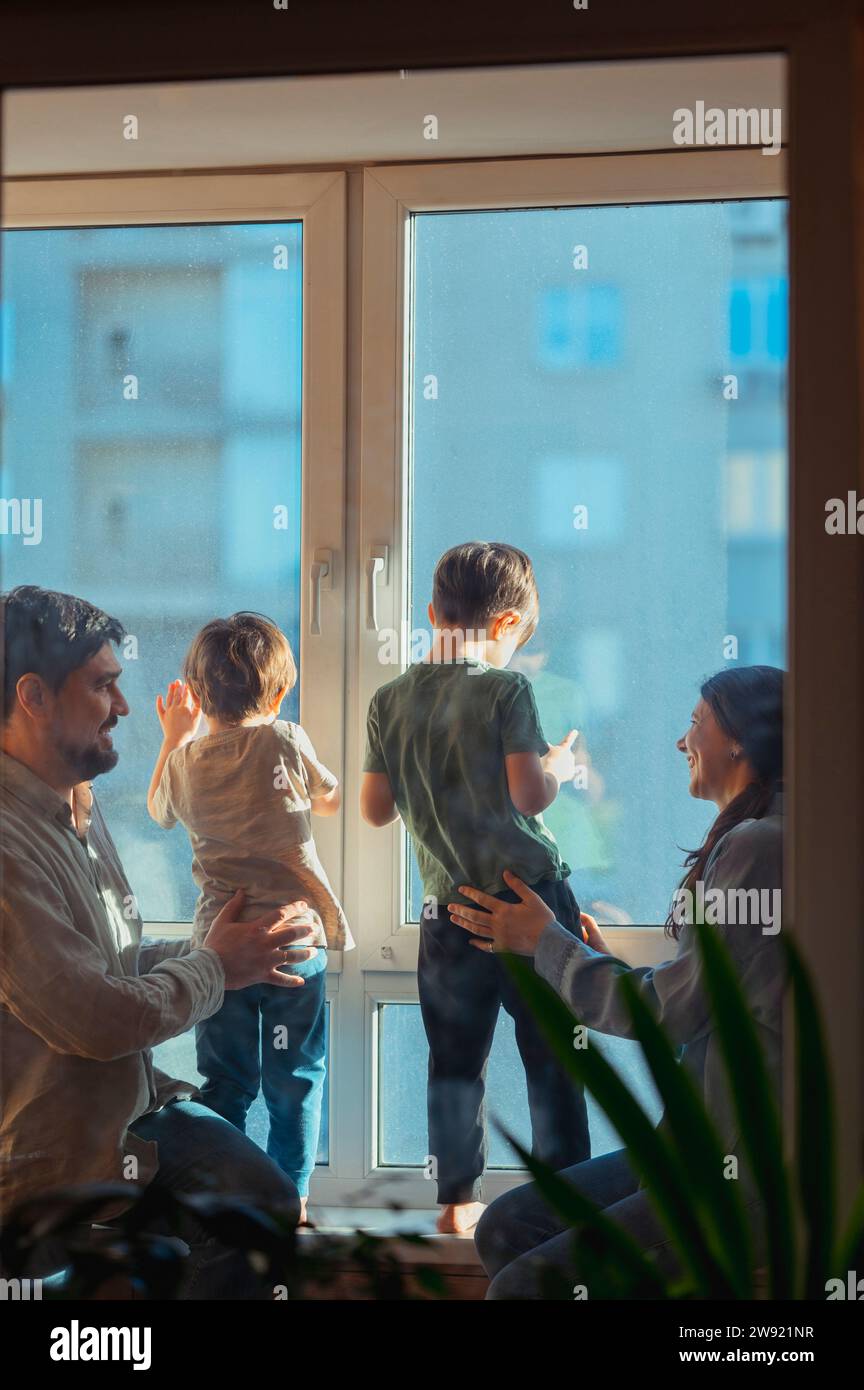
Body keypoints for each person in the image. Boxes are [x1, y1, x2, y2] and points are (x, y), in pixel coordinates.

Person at [0, 586, 316, 1297]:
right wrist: (212, 966)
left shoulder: (74, 803)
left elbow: (107, 965)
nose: (124, 707)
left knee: (259, 1206)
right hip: (49, 1156)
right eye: (104, 686)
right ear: (34, 697)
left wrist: (234, 952)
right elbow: (96, 1018)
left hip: (128, 1111)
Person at [447, 665, 785, 1297]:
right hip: (697, 1145)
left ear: (739, 738)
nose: (682, 743)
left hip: (744, 1176)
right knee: (504, 1228)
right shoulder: (758, 839)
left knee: (520, 1288)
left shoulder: (759, 847)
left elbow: (672, 1014)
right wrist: (588, 959)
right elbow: (708, 994)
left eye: (695, 724)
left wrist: (544, 943)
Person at [361, 541, 590, 1234]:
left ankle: (456, 1205)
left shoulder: (390, 700)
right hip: (527, 903)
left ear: (433, 613)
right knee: (553, 1057)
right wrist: (560, 766)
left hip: (449, 912)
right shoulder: (505, 690)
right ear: (510, 625)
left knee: (455, 1061)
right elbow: (529, 796)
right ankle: (567, 1202)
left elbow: (375, 809)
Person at [148, 613, 353, 1224]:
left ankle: (220, 1196)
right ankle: (289, 1199)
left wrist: (174, 737)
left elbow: (160, 812)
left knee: (226, 1084)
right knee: (295, 1079)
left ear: (200, 693)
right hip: (293, 939)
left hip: (221, 948)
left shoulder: (184, 764)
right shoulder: (285, 741)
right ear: (281, 689)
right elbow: (331, 795)